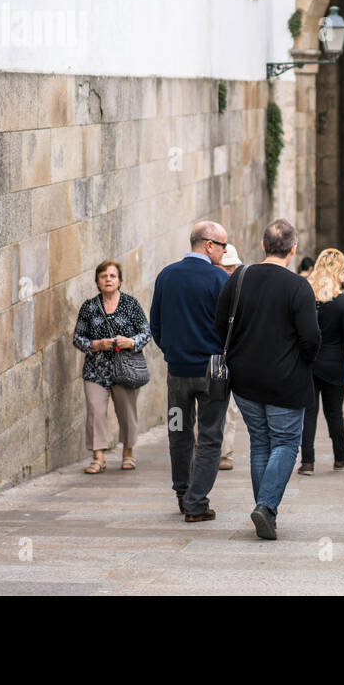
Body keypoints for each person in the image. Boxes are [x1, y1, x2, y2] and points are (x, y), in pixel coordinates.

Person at [215, 218, 321, 540]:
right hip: (285, 380)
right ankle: (266, 507)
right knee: (287, 443)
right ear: (293, 249)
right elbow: (311, 338)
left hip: (245, 380)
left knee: (260, 442)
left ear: (263, 246)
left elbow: (220, 325)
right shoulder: (298, 287)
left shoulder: (239, 278)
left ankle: (265, 509)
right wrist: (303, 360)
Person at [150, 221, 231, 521]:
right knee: (210, 436)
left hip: (177, 373)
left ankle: (183, 493)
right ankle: (197, 503)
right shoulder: (218, 279)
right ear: (209, 245)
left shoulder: (166, 276)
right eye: (223, 246)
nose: (224, 251)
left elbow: (155, 324)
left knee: (178, 431)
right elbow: (229, 327)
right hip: (213, 373)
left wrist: (172, 352)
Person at [72, 259, 151, 474]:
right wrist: (95, 345)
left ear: (120, 280)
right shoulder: (89, 307)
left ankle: (128, 452)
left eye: (112, 276)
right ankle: (98, 457)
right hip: (95, 370)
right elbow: (77, 338)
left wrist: (131, 342)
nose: (108, 280)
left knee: (127, 412)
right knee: (95, 412)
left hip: (124, 368)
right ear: (97, 281)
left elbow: (146, 332)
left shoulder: (131, 304)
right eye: (104, 276)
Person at [298, 248, 344, 475]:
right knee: (334, 413)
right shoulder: (343, 302)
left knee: (308, 412)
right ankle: (340, 456)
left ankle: (307, 461)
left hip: (308, 363)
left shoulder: (306, 297)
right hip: (333, 364)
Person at [215, 243, 245, 471]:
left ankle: (225, 452)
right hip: (212, 353)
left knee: (230, 408)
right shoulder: (212, 284)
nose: (227, 272)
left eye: (231, 267)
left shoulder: (242, 288)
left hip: (230, 355)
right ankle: (206, 447)